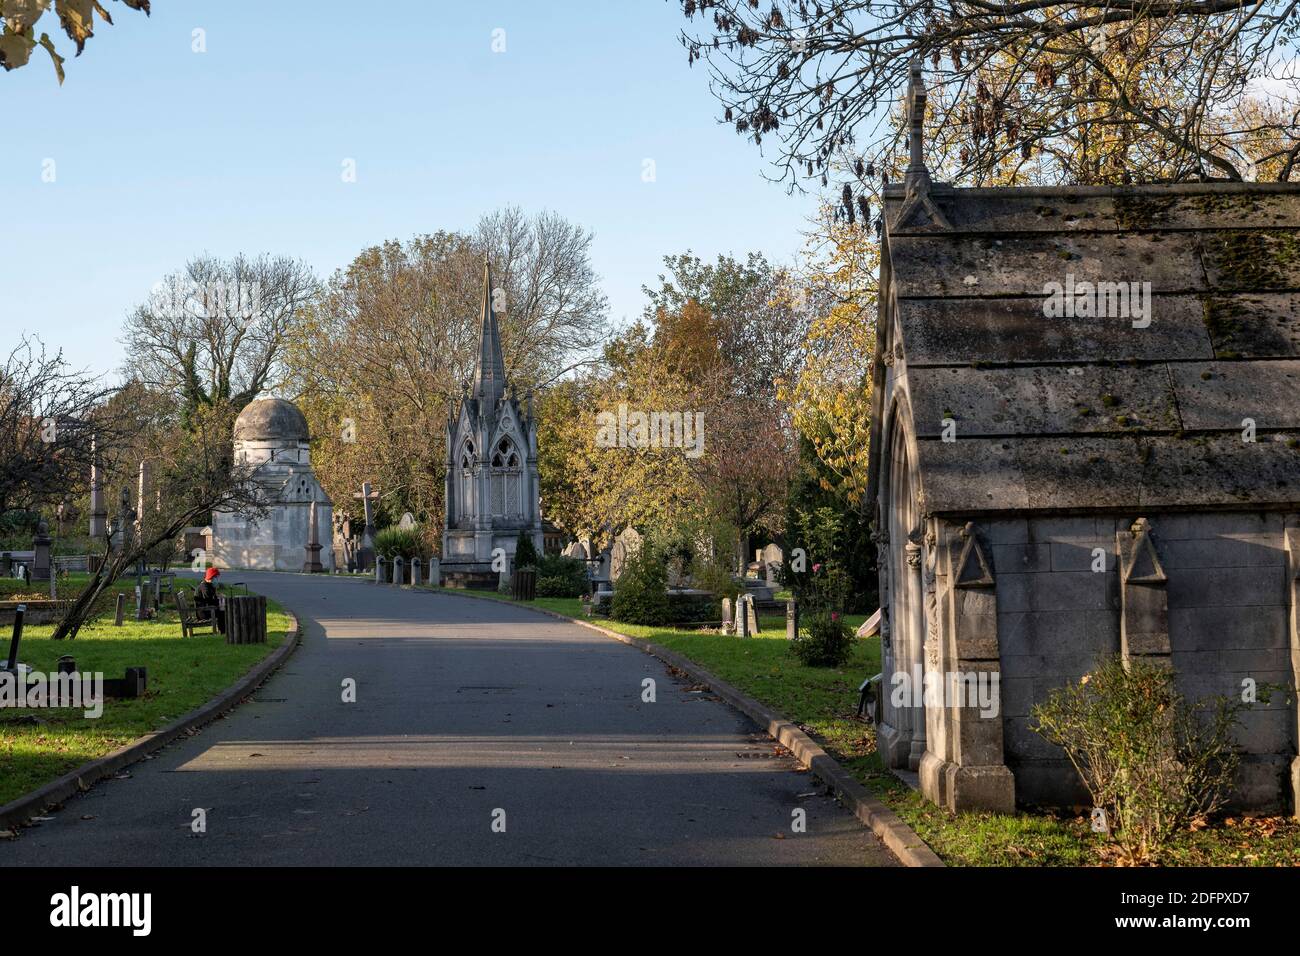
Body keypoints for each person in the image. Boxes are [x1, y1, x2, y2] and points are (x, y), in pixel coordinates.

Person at [195, 566, 226, 634]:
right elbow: (210, 601)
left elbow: (212, 598)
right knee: (222, 612)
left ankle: (223, 631)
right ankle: (223, 632)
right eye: (215, 577)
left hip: (207, 609)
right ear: (211, 577)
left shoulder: (209, 585)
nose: (216, 579)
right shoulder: (204, 587)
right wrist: (219, 601)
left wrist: (218, 595)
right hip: (203, 613)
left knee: (223, 611)